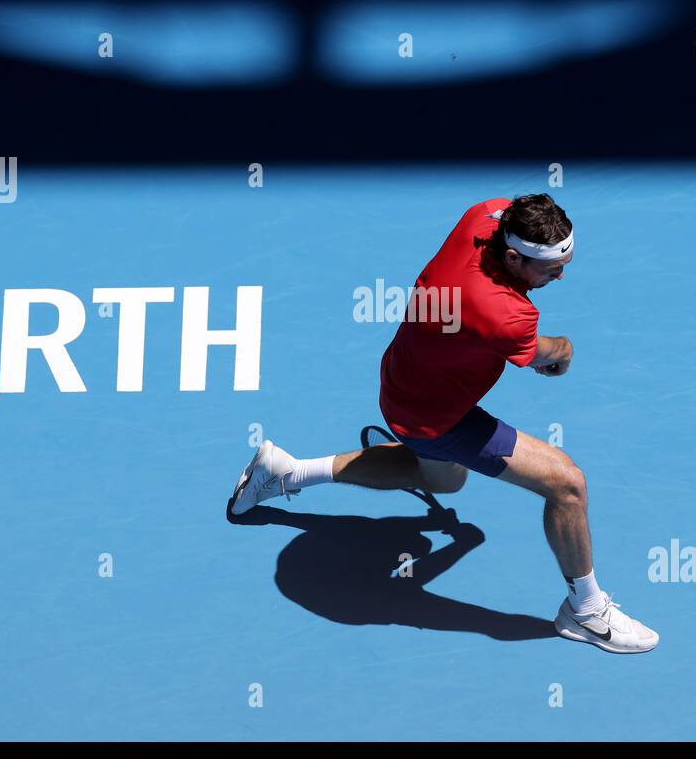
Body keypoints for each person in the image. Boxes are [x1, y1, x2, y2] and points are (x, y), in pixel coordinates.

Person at [228, 193, 658, 653]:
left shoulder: (485, 214)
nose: (560, 277)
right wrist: (565, 349)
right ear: (513, 257)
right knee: (566, 485)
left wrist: (459, 545)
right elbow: (543, 355)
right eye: (551, 270)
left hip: (403, 378)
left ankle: (287, 472)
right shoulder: (505, 315)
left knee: (443, 479)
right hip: (433, 416)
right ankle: (586, 611)